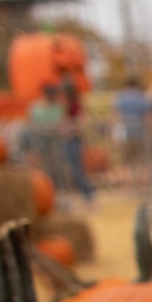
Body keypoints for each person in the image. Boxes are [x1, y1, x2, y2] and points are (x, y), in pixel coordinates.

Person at [60, 72, 94, 204]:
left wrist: (71, 129)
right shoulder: (65, 104)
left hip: (74, 139)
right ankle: (82, 193)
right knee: (72, 168)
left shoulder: (76, 104)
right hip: (67, 139)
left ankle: (88, 193)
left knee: (78, 168)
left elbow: (81, 121)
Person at [26, 85, 67, 193]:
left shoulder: (58, 107)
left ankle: (60, 190)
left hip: (54, 140)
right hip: (40, 140)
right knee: (43, 167)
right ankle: (46, 191)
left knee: (57, 166)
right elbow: (32, 124)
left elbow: (59, 124)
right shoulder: (35, 106)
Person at [115, 77, 152, 193]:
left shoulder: (121, 97)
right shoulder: (141, 97)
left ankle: (130, 186)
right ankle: (142, 185)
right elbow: (148, 115)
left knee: (127, 161)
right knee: (141, 160)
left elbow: (116, 115)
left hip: (126, 132)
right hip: (140, 131)